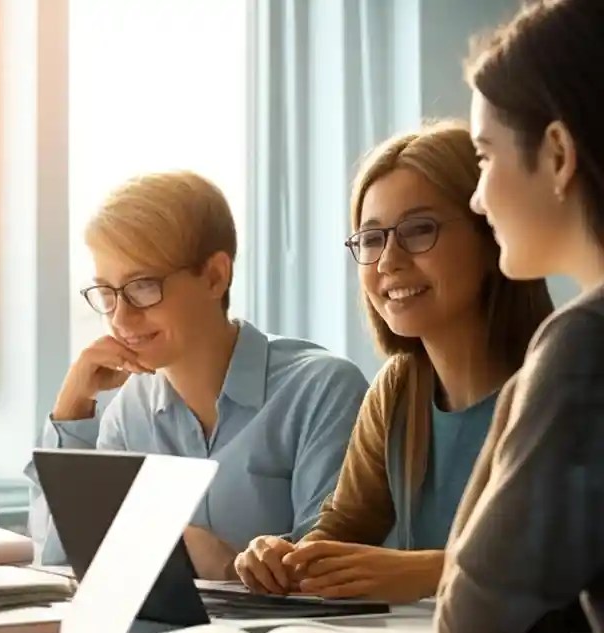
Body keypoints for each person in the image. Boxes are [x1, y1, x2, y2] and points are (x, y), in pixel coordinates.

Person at [233, 122, 553, 602]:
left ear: (491, 235)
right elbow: (344, 530)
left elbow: (572, 567)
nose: (387, 261)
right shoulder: (399, 389)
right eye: (370, 239)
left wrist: (437, 571)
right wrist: (286, 558)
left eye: (419, 230)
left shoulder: (564, 379)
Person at [28, 171, 368, 579]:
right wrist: (71, 410)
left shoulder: (321, 391)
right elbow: (61, 561)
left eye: (142, 287)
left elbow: (333, 572)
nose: (120, 316)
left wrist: (218, 565)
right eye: (106, 293)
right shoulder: (127, 414)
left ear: (214, 277)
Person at [435, 0, 604, 633]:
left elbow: (472, 625)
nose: (477, 197)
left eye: (483, 156)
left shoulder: (584, 346)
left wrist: (538, 369)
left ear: (558, 153)